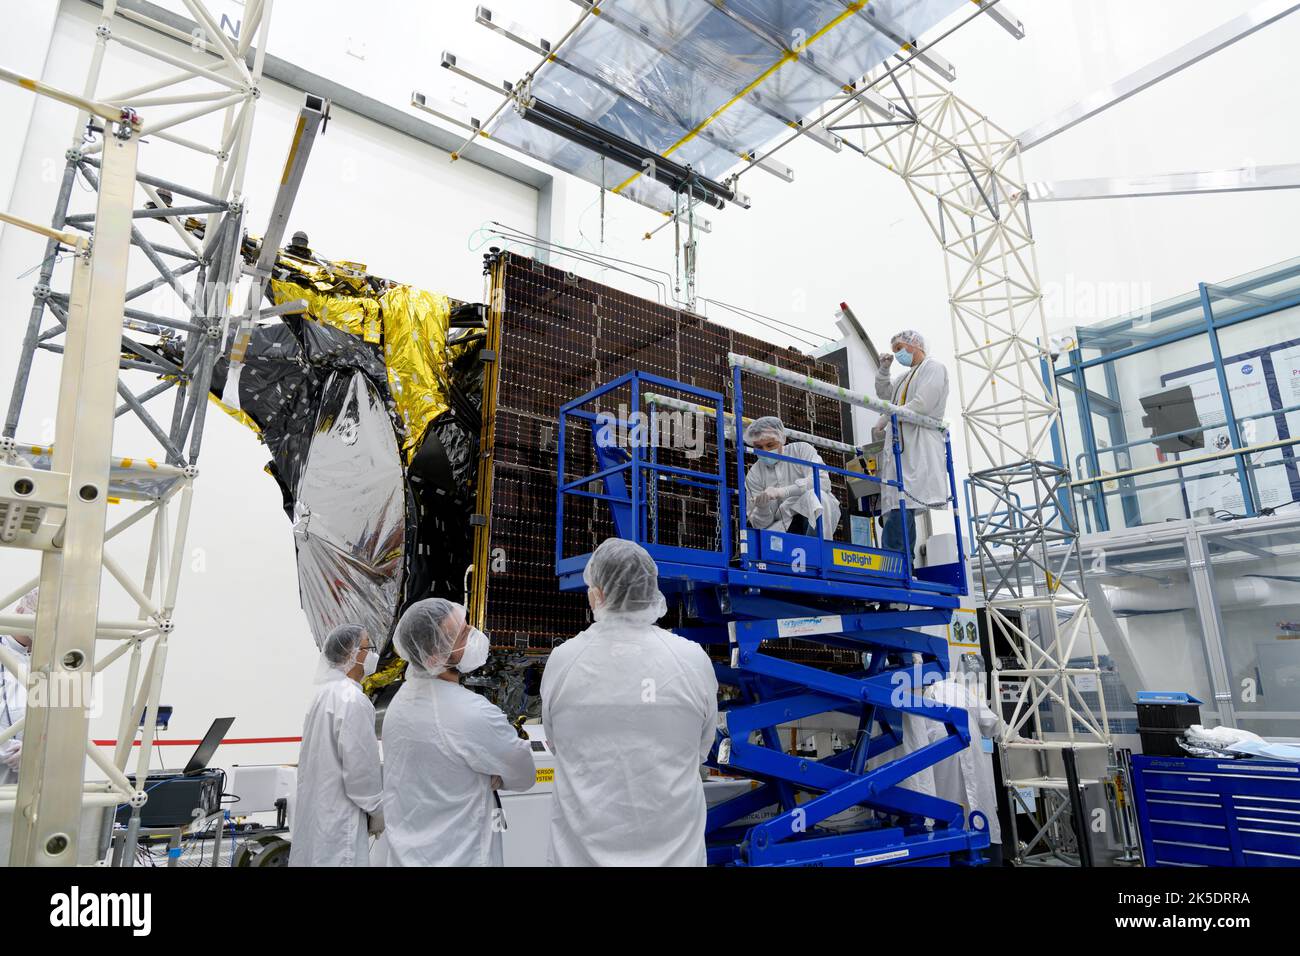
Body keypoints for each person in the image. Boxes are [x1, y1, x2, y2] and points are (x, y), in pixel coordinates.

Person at [541, 538, 718, 866]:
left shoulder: (564, 661)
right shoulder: (691, 660)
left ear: (599, 594)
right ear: (650, 589)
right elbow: (700, 748)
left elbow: (556, 744)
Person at [382, 598, 533, 866]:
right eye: (462, 634)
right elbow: (524, 774)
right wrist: (494, 776)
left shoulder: (398, 703)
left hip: (408, 856)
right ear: (434, 657)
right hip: (460, 856)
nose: (474, 633)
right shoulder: (473, 712)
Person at [289, 623, 384, 867]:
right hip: (341, 822)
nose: (373, 654)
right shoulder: (353, 700)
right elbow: (361, 772)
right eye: (368, 647)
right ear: (351, 654)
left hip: (319, 814)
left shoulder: (323, 695)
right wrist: (379, 811)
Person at [923, 653, 1006, 865]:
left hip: (961, 775)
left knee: (973, 823)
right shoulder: (922, 693)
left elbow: (991, 723)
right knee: (958, 826)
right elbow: (992, 724)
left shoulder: (954, 690)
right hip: (945, 779)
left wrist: (1014, 736)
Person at [873, 329, 950, 555]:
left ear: (915, 345)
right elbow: (885, 393)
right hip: (902, 448)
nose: (897, 354)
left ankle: (896, 564)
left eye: (900, 349)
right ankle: (905, 563)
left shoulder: (933, 368)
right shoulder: (904, 377)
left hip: (919, 444)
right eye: (895, 350)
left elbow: (922, 404)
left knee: (902, 503)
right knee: (900, 503)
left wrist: (887, 417)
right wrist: (884, 370)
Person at [743, 416, 841, 539]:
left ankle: (818, 549)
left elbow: (822, 482)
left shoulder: (801, 451)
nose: (766, 451)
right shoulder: (754, 474)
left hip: (813, 516)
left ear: (782, 439)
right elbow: (759, 525)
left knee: (818, 496)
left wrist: (783, 491)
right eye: (759, 447)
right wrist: (762, 508)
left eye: (770, 445)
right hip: (781, 528)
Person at [0, 589, 37, 786]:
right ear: (19, 611)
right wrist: (8, 747)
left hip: (36, 780)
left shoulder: (56, 660)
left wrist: (39, 748)